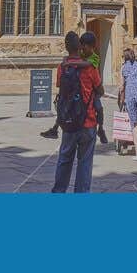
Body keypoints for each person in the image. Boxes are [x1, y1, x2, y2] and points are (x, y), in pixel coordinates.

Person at [52, 31, 102, 191]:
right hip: (88, 121)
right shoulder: (91, 67)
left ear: (66, 47)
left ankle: (59, 191)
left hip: (68, 122)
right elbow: (99, 89)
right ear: (80, 46)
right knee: (85, 163)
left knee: (64, 159)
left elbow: (60, 87)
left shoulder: (63, 67)